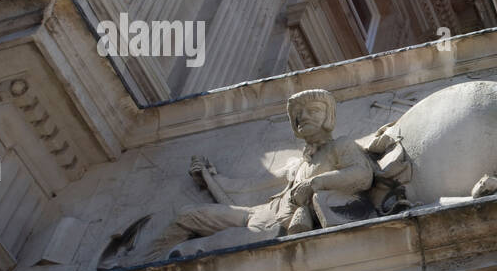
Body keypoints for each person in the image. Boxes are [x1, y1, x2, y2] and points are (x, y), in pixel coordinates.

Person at [147, 89, 372, 259]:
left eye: (312, 111)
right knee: (187, 215)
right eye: (298, 114)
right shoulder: (298, 163)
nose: (303, 117)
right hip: (258, 212)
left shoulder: (341, 145)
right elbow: (251, 186)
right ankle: (143, 262)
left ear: (328, 118)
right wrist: (210, 177)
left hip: (272, 227)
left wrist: (316, 182)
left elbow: (362, 174)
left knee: (192, 250)